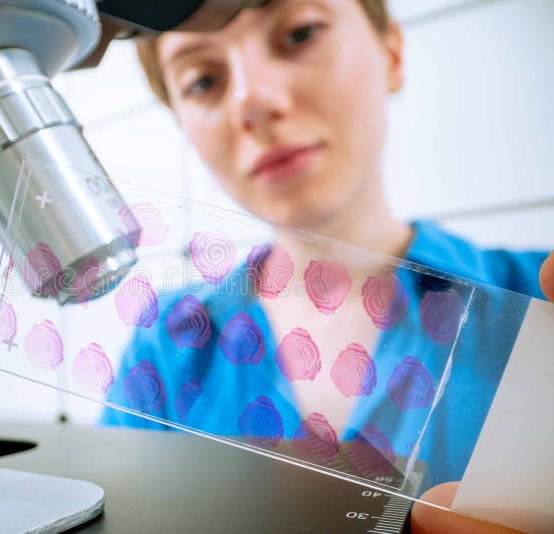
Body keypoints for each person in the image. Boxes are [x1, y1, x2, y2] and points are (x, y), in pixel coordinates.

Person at [99, 0, 554, 531]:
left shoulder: (540, 312)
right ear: (182, 122)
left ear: (392, 53)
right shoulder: (167, 348)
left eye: (298, 34)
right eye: (203, 80)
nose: (254, 100)